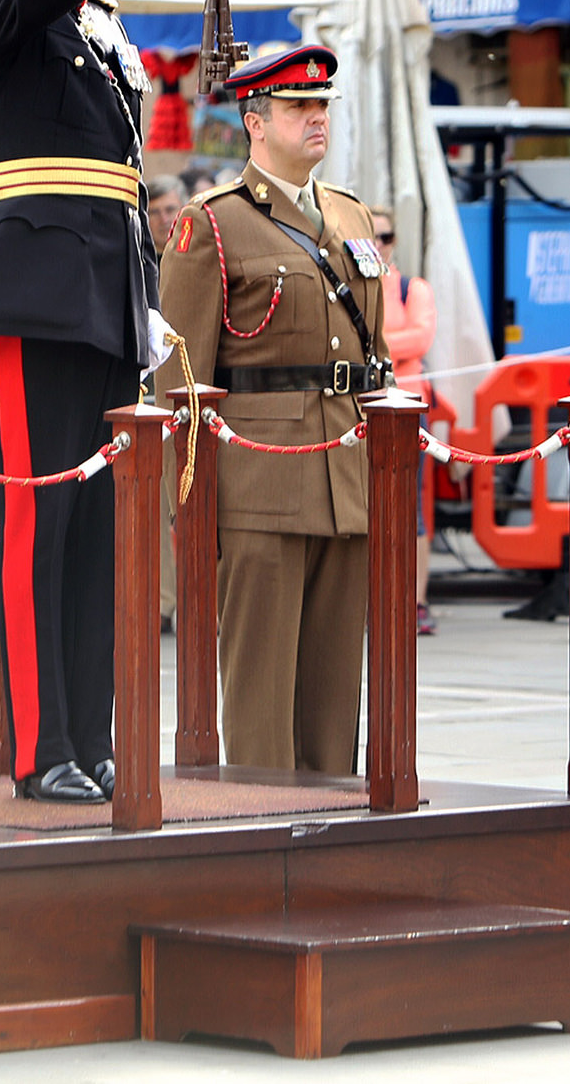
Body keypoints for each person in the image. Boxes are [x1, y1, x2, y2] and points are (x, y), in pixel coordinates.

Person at [0, 0, 240, 802]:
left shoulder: (97, 30)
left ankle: (92, 737)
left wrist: (143, 300)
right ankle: (42, 749)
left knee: (98, 538)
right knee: (40, 523)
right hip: (35, 298)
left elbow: (121, 182)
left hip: (108, 297)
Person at [157, 45, 391, 773]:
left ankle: (329, 820)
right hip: (258, 488)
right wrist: (186, 514)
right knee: (259, 694)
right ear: (255, 122)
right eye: (298, 107)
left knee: (334, 694)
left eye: (322, 105)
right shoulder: (212, 224)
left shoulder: (350, 214)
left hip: (345, 479)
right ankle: (257, 820)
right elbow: (181, 382)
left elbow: (375, 357)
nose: (317, 118)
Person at [372, 207, 438, 635]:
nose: (378, 245)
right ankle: (374, 598)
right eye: (370, 236)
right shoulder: (354, 285)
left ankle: (416, 601)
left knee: (410, 507)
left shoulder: (411, 287)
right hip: (366, 407)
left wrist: (375, 345)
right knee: (366, 506)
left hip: (409, 408)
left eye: (385, 237)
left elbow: (421, 337)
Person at [144, 175, 186, 631]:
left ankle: (205, 601)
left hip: (192, 392)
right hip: (149, 396)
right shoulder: (138, 261)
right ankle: (161, 600)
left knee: (196, 499)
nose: (163, 219)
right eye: (154, 211)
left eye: (170, 209)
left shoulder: (194, 257)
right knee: (154, 503)